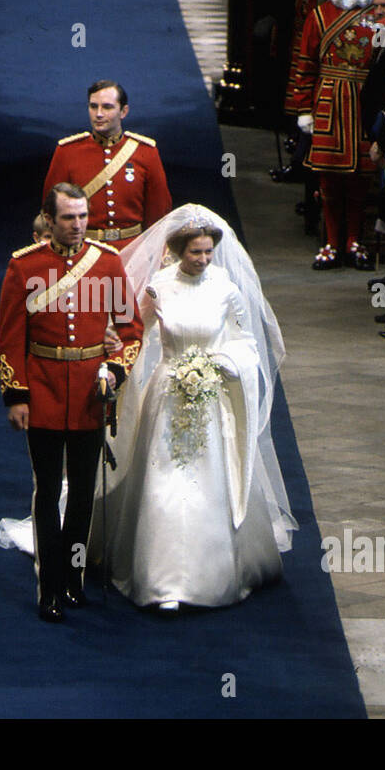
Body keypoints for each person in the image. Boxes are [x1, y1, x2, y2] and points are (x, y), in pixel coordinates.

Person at [104, 205, 297, 610]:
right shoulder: (159, 287)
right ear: (178, 250)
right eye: (196, 252)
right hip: (168, 395)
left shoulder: (225, 288)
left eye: (209, 252)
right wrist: (113, 360)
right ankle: (164, 580)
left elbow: (245, 342)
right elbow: (135, 333)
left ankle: (213, 571)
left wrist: (222, 366)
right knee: (165, 480)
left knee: (208, 481)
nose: (204, 259)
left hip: (213, 398)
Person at [0, 183, 143, 622]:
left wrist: (114, 370)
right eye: (68, 218)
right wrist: (16, 396)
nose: (78, 226)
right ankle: (50, 586)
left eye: (82, 217)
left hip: (88, 395)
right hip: (42, 391)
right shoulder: (25, 266)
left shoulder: (108, 262)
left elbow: (131, 331)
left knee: (82, 494)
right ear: (50, 219)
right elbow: (9, 337)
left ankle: (75, 577)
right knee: (46, 493)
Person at [287, 0, 379, 270]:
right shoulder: (318, 16)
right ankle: (330, 240)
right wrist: (303, 109)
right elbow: (305, 64)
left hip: (363, 103)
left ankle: (355, 240)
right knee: (328, 177)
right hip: (329, 103)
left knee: (359, 177)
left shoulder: (377, 16)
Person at [42, 80, 172, 249]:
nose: (99, 114)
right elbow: (51, 209)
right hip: (84, 252)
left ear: (123, 111)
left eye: (107, 107)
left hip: (132, 251)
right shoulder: (67, 151)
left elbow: (158, 213)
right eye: (93, 106)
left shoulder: (146, 152)